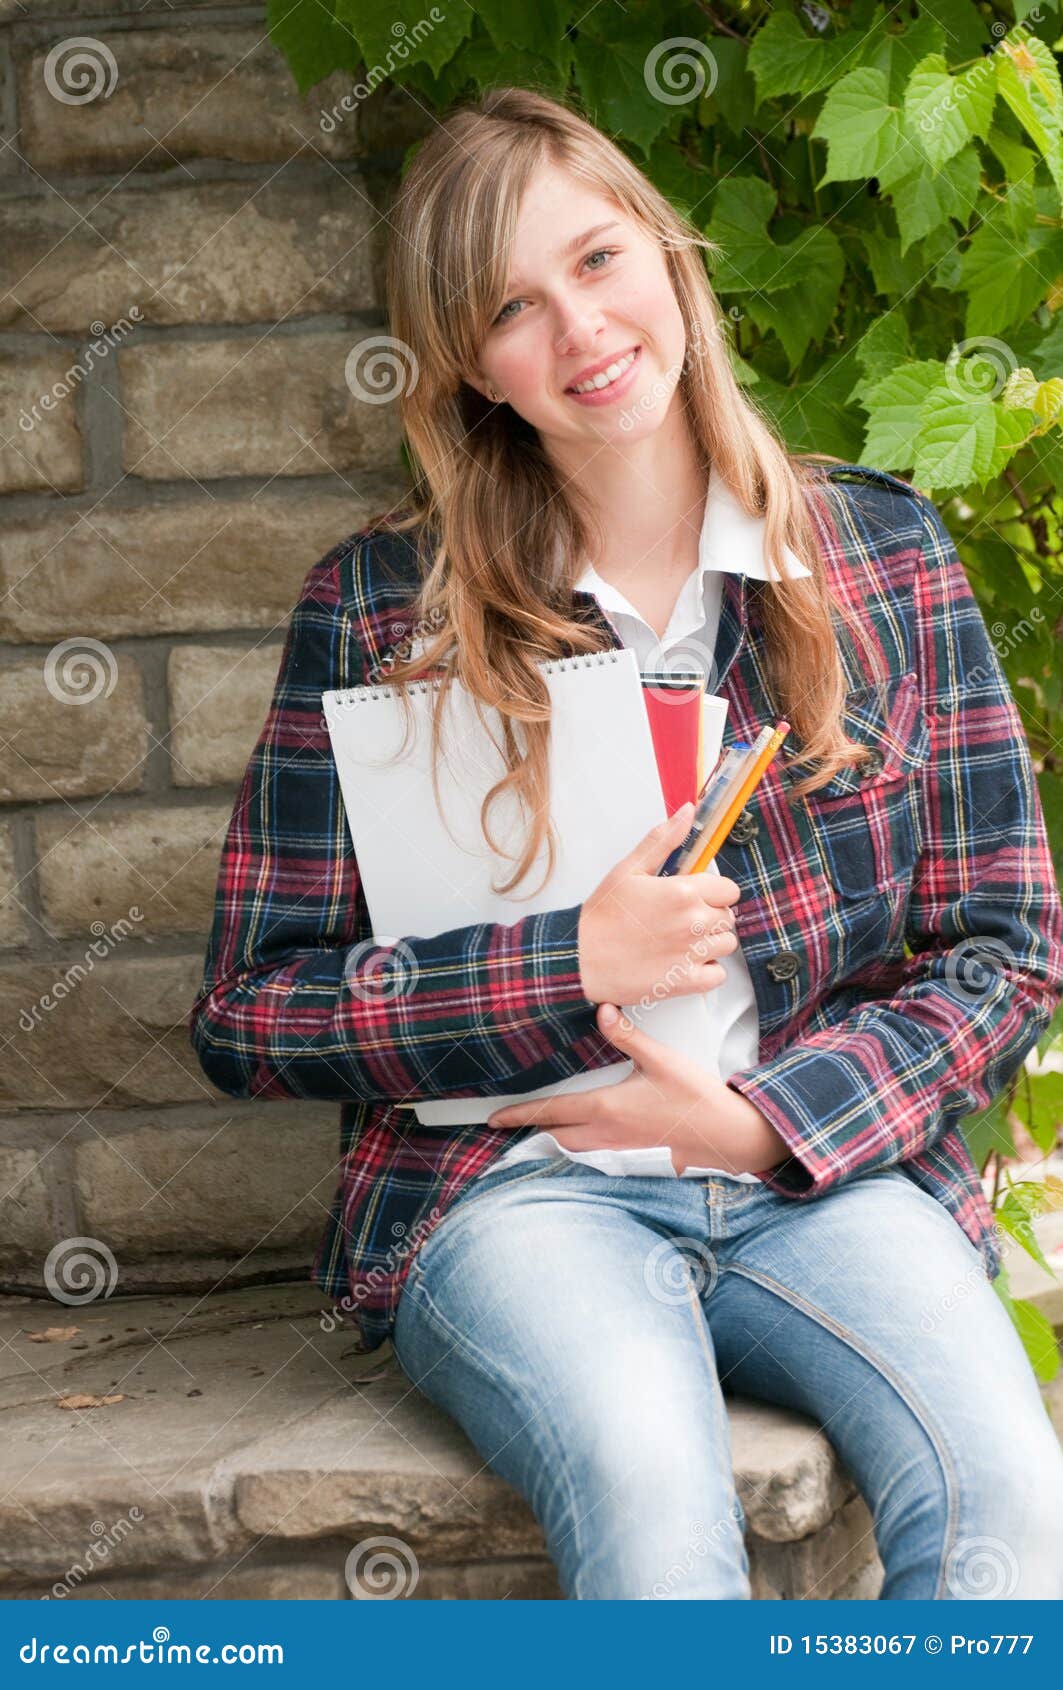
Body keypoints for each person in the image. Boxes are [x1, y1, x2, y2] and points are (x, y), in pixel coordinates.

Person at [190, 87, 1063, 1600]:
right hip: (519, 1198)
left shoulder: (879, 557)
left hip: (826, 1182)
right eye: (511, 308)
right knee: (658, 1519)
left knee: (1018, 1517)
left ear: (665, 252)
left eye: (597, 260)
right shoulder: (380, 609)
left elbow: (1009, 944)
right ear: (469, 366)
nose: (581, 329)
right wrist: (561, 965)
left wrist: (772, 1119)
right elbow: (249, 1007)